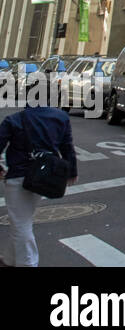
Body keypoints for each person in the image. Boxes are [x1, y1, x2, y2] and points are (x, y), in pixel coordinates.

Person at [0, 106, 78, 266]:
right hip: (45, 177)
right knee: (23, 219)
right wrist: (71, 171)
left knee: (21, 223)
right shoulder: (61, 117)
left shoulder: (14, 119)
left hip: (19, 177)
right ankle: (9, 259)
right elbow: (67, 147)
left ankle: (28, 263)